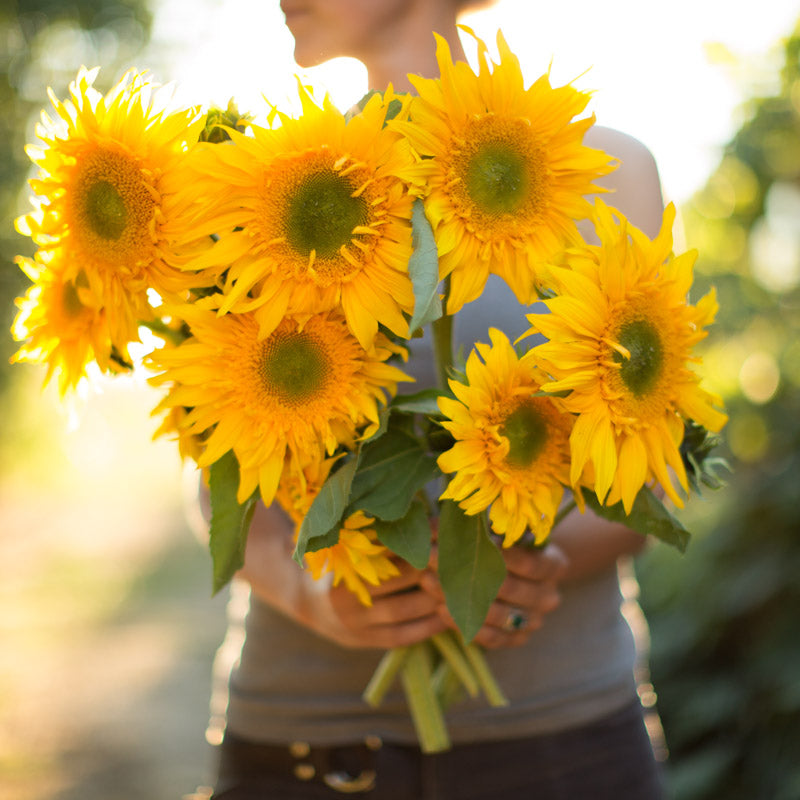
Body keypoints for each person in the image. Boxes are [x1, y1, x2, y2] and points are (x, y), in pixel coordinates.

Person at [200, 1, 667, 797]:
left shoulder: (606, 169)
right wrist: (312, 590)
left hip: (559, 736)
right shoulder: (266, 183)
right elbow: (217, 473)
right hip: (311, 737)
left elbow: (652, 476)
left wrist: (532, 561)